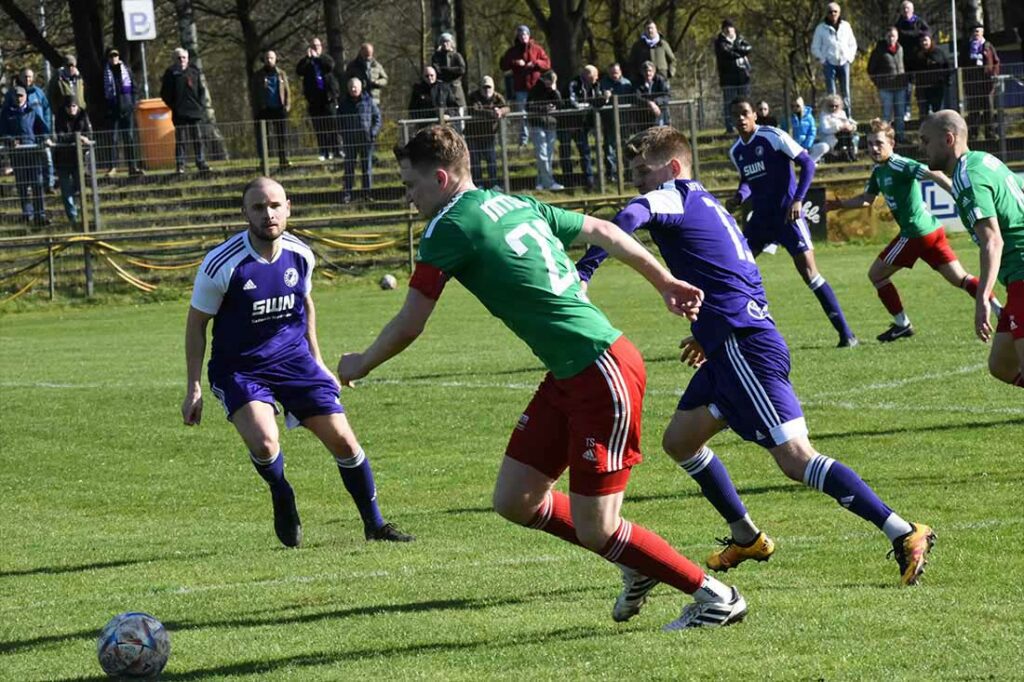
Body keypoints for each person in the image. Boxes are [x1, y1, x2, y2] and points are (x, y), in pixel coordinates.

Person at [337, 123, 748, 631]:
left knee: (600, 526)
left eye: (410, 185)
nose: (408, 197)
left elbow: (410, 323)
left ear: (441, 178)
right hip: (572, 371)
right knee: (515, 498)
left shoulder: (447, 228)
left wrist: (361, 362)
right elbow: (602, 230)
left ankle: (715, 595)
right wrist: (662, 281)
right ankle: (632, 564)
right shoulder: (510, 202)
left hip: (602, 371)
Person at [575, 125, 935, 591]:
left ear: (675, 167)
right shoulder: (708, 205)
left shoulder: (675, 195)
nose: (638, 180)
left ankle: (904, 531)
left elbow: (623, 220)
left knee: (795, 458)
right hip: (728, 345)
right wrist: (710, 332)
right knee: (680, 442)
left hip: (746, 347)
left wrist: (583, 272)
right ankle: (746, 536)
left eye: (644, 170)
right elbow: (738, 272)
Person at [182, 177, 415, 547]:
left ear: (288, 207)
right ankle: (281, 491)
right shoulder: (221, 264)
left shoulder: (300, 254)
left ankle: (375, 524)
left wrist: (319, 362)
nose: (268, 214)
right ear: (245, 213)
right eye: (258, 207)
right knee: (264, 444)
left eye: (274, 205)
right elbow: (196, 324)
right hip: (240, 367)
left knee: (344, 441)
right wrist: (193, 386)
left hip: (294, 360)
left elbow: (305, 305)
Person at [825, 118, 1001, 341]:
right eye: (869, 144)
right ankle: (998, 309)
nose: (874, 148)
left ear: (892, 143)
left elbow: (933, 173)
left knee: (876, 275)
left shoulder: (898, 164)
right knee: (960, 278)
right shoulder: (879, 170)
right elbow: (867, 199)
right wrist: (840, 204)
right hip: (931, 231)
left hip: (916, 233)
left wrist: (958, 192)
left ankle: (902, 324)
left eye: (879, 143)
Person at [727, 97, 857, 347]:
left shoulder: (772, 136)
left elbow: (807, 163)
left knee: (809, 273)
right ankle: (745, 335)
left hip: (788, 217)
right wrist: (738, 197)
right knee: (737, 269)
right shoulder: (736, 151)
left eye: (745, 113)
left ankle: (846, 334)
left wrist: (798, 200)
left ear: (755, 114)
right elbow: (747, 181)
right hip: (761, 221)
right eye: (736, 115)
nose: (741, 119)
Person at [919, 110, 1024, 389]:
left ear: (948, 139)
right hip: (1017, 276)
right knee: (1001, 366)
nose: (922, 147)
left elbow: (993, 241)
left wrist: (982, 299)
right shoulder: (984, 162)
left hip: (1023, 272)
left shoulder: (969, 177)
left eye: (926, 141)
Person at [0, 86, 50, 225]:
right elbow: (3, 132)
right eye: (16, 96)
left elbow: (43, 129)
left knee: (37, 184)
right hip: (17, 154)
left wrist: (43, 139)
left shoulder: (32, 111)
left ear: (25, 97)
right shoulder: (6, 113)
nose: (18, 98)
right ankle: (27, 214)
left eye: (21, 96)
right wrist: (10, 140)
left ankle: (40, 215)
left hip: (33, 153)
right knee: (22, 186)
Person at [499, 25, 551, 146]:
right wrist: (515, 63)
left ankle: (540, 135)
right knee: (522, 114)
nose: (523, 37)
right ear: (518, 36)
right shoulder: (513, 51)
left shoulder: (537, 49)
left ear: (529, 35)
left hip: (536, 88)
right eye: (521, 35)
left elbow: (547, 64)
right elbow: (503, 65)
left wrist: (536, 63)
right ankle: (524, 139)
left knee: (538, 111)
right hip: (521, 88)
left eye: (525, 34)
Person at [160, 48, 210, 174]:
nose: (181, 60)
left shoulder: (194, 71)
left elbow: (201, 90)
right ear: (174, 59)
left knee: (197, 138)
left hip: (195, 111)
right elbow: (165, 94)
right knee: (181, 139)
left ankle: (201, 162)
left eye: (184, 57)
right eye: (179, 58)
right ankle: (180, 164)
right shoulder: (170, 73)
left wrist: (201, 105)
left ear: (187, 59)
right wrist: (173, 106)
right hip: (179, 112)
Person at [48, 95, 92, 224]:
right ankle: (72, 218)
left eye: (74, 106)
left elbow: (89, 134)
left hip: (78, 159)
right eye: (68, 106)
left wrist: (82, 138)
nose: (71, 109)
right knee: (66, 191)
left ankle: (83, 217)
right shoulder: (59, 117)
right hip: (62, 159)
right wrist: (78, 137)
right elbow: (60, 136)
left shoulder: (83, 115)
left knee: (80, 186)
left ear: (77, 106)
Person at [338, 78, 382, 203]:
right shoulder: (344, 103)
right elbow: (338, 121)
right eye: (351, 87)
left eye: (355, 87)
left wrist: (373, 133)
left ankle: (367, 194)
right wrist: (343, 134)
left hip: (366, 140)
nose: (353, 89)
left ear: (360, 88)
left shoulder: (369, 102)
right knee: (349, 168)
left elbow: (377, 118)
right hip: (350, 140)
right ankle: (347, 195)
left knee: (366, 169)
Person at [296, 37, 340, 161]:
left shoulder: (325, 59)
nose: (316, 48)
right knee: (319, 127)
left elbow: (330, 66)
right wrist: (308, 58)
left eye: (318, 46)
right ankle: (324, 151)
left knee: (332, 125)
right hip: (315, 100)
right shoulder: (307, 62)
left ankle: (336, 150)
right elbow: (299, 71)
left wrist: (317, 57)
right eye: (313, 46)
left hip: (328, 98)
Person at [811, 2, 857, 117]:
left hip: (844, 62)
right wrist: (823, 59)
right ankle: (834, 117)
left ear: (839, 13)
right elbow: (815, 47)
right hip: (829, 63)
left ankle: (848, 116)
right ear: (827, 13)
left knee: (846, 92)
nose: (833, 14)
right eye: (830, 12)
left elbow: (853, 44)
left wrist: (849, 58)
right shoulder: (821, 29)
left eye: (835, 11)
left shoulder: (846, 26)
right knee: (831, 93)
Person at [102, 48, 143, 176]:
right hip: (113, 110)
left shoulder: (127, 70)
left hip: (127, 110)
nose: (114, 57)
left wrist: (132, 104)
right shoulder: (105, 73)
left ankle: (132, 166)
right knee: (113, 139)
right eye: (111, 55)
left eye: (116, 55)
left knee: (129, 138)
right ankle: (112, 167)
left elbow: (134, 88)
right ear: (108, 58)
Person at [465, 75, 508, 189]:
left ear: (493, 87)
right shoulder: (473, 96)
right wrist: (492, 114)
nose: (487, 90)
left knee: (491, 160)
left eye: (489, 87)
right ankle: (478, 184)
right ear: (480, 88)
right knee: (475, 162)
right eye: (484, 87)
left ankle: (493, 184)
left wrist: (501, 111)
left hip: (489, 135)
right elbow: (474, 110)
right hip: (473, 134)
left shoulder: (497, 97)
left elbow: (507, 107)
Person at [251, 50, 292, 170]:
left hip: (279, 109)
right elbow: (254, 94)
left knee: (282, 136)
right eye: (267, 58)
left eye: (271, 58)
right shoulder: (258, 75)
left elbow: (287, 91)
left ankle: (283, 159)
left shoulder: (281, 74)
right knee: (263, 137)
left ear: (275, 59)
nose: (269, 60)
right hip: (264, 110)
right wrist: (256, 109)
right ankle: (264, 161)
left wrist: (287, 106)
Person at [960, 24, 1000, 141]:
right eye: (974, 31)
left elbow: (996, 61)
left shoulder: (988, 46)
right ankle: (973, 134)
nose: (976, 33)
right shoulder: (966, 47)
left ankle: (990, 133)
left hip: (987, 83)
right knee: (973, 110)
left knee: (989, 108)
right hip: (972, 83)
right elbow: (962, 63)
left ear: (982, 32)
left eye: (978, 31)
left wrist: (994, 74)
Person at [526, 70, 564, 191]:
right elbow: (528, 106)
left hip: (551, 124)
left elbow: (561, 104)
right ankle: (549, 183)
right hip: (537, 124)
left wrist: (554, 91)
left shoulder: (552, 91)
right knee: (542, 154)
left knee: (548, 155)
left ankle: (540, 182)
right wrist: (544, 108)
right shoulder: (535, 89)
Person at [867, 27, 907, 142]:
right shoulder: (879, 51)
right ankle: (884, 138)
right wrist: (878, 82)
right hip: (885, 88)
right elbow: (870, 69)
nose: (891, 38)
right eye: (889, 36)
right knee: (886, 115)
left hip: (900, 86)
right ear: (885, 37)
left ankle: (900, 137)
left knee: (900, 113)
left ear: (897, 37)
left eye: (893, 36)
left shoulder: (900, 49)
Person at [564, 65, 600, 190]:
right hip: (568, 124)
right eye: (595, 76)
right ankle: (568, 183)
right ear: (587, 75)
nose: (597, 78)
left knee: (585, 153)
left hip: (584, 125)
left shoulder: (595, 85)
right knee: (565, 153)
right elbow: (572, 102)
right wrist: (588, 106)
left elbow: (597, 101)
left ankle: (589, 182)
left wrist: (604, 98)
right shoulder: (573, 84)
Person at [714, 19, 753, 135]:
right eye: (726, 28)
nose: (728, 30)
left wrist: (737, 48)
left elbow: (748, 48)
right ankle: (730, 127)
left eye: (730, 27)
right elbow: (727, 53)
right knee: (729, 103)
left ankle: (748, 124)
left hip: (743, 77)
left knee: (746, 102)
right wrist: (740, 52)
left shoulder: (740, 39)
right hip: (728, 79)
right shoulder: (720, 42)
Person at [598, 63, 633, 182]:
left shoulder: (627, 84)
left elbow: (633, 100)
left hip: (625, 121)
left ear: (620, 72)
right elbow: (598, 99)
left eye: (616, 72)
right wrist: (604, 96)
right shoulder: (603, 83)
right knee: (609, 149)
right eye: (612, 72)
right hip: (609, 121)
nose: (614, 75)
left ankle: (628, 174)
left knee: (627, 147)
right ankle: (612, 175)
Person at [895, 1, 930, 120]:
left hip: (920, 60)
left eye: (908, 8)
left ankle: (925, 111)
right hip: (905, 60)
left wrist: (912, 35)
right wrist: (915, 34)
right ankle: (907, 111)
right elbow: (898, 37)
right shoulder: (898, 24)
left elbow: (926, 34)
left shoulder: (920, 22)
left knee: (922, 86)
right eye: (904, 8)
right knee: (907, 88)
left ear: (912, 9)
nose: (906, 10)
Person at [912, 33, 949, 118]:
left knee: (938, 111)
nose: (924, 43)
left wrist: (945, 80)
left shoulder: (938, 53)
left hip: (936, 87)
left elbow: (946, 66)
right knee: (923, 112)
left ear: (930, 41)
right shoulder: (917, 55)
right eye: (922, 41)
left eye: (925, 40)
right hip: (922, 88)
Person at [628, 20, 676, 84]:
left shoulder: (663, 44)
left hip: (662, 79)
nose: (650, 30)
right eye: (648, 28)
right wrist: (635, 76)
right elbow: (632, 62)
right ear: (644, 30)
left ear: (656, 29)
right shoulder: (638, 45)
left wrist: (670, 73)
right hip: (643, 80)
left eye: (652, 28)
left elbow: (672, 60)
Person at [344, 43, 388, 108]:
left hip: (374, 98)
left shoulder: (376, 65)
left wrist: (377, 82)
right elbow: (346, 80)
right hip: (358, 99)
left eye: (369, 55)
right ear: (361, 52)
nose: (368, 57)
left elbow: (385, 79)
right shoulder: (353, 66)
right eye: (366, 55)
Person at [430, 33, 467, 110]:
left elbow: (462, 70)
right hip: (442, 89)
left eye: (447, 41)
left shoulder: (457, 55)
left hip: (456, 88)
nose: (445, 44)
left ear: (451, 43)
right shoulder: (436, 56)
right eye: (443, 41)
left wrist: (446, 69)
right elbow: (437, 70)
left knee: (460, 110)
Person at [817, 94, 859, 161]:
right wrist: (839, 128)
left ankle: (849, 153)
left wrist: (851, 127)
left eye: (836, 106)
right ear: (827, 105)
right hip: (830, 138)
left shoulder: (842, 113)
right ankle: (847, 154)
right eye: (831, 106)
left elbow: (848, 123)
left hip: (844, 137)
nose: (834, 108)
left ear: (840, 106)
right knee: (844, 135)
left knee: (850, 135)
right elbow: (825, 130)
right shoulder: (824, 114)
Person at [633, 61, 670, 135]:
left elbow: (667, 96)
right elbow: (636, 97)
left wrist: (656, 102)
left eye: (650, 71)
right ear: (642, 72)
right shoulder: (637, 83)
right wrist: (649, 103)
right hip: (643, 117)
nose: (648, 73)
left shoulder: (660, 80)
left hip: (660, 114)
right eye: (645, 71)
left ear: (654, 71)